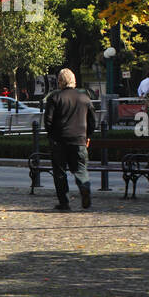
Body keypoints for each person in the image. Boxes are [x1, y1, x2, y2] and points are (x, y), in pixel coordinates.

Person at [42, 68, 96, 211]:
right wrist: (87, 136)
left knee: (60, 173)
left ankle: (64, 202)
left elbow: (48, 121)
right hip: (79, 140)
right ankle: (84, 187)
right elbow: (93, 122)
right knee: (81, 169)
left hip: (59, 141)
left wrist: (51, 135)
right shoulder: (85, 98)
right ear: (74, 81)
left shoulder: (55, 98)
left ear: (60, 82)